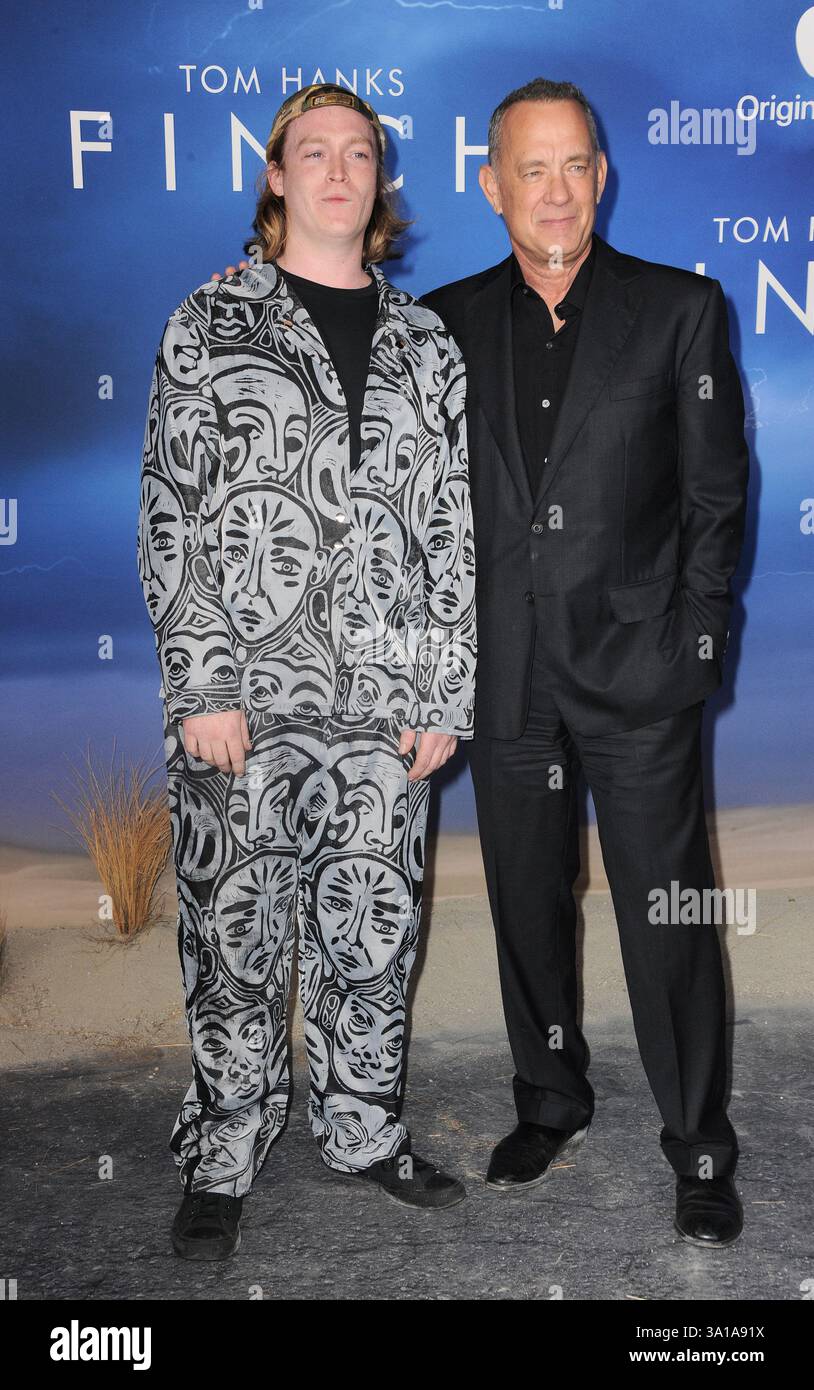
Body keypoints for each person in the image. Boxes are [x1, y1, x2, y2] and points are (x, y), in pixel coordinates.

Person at [137, 83, 477, 1260]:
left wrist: (442, 689)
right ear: (276, 176)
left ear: (380, 181)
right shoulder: (210, 320)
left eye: (361, 153)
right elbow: (171, 514)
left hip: (385, 705)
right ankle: (224, 1148)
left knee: (372, 935)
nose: (340, 169)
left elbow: (448, 529)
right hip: (246, 702)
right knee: (234, 936)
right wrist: (201, 686)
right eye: (313, 152)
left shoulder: (427, 342)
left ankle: (363, 1130)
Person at [420, 78, 749, 1247]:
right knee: (526, 905)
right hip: (504, 675)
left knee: (668, 911)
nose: (555, 191)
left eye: (576, 166)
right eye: (532, 168)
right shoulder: (442, 323)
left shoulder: (680, 310)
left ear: (600, 177)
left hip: (638, 673)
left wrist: (694, 639)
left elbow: (717, 494)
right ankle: (549, 1097)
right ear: (491, 183)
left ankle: (699, 1143)